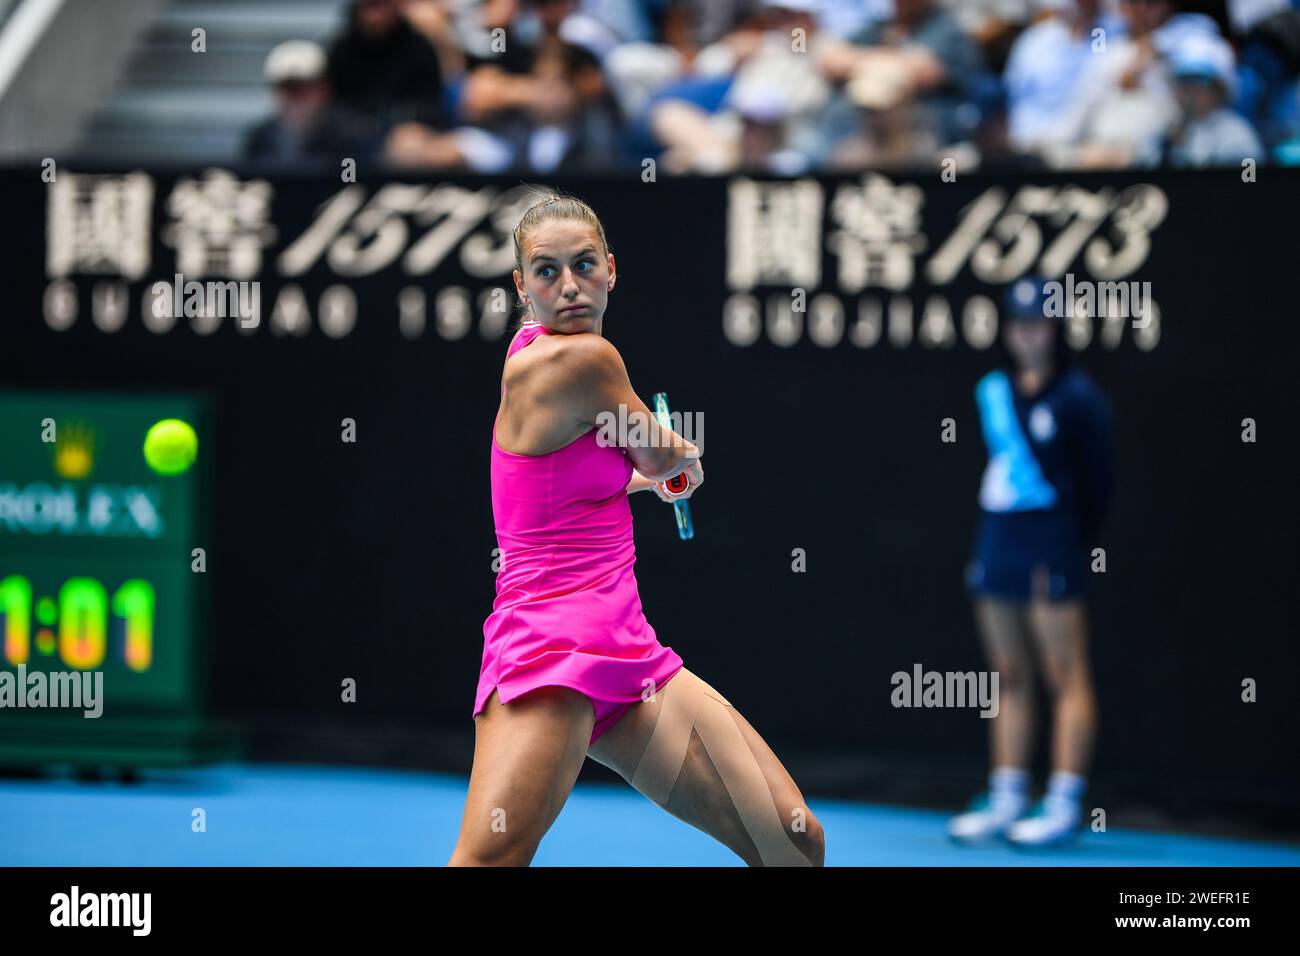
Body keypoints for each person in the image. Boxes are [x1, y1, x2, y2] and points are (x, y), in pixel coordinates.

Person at [449, 194, 824, 866]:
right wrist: (681, 462)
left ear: (611, 269)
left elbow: (559, 491)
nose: (568, 286)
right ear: (521, 285)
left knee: (793, 841)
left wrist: (642, 482)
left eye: (584, 266)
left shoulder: (542, 353)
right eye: (546, 272)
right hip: (552, 651)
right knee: (488, 862)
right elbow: (665, 453)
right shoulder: (582, 359)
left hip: (628, 651)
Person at [950, 276, 1113, 847]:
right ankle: (1008, 794)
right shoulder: (993, 390)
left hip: (1054, 543)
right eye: (1019, 324)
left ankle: (1064, 802)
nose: (1028, 336)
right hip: (1000, 539)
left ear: (1057, 329)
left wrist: (1066, 545)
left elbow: (1097, 486)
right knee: (1008, 675)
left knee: (1064, 675)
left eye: (1039, 324)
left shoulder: (1079, 400)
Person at [243, 40, 380, 164]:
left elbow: (352, 180)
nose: (295, 97)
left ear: (323, 89)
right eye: (287, 88)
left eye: (303, 88)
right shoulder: (259, 137)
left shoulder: (352, 135)